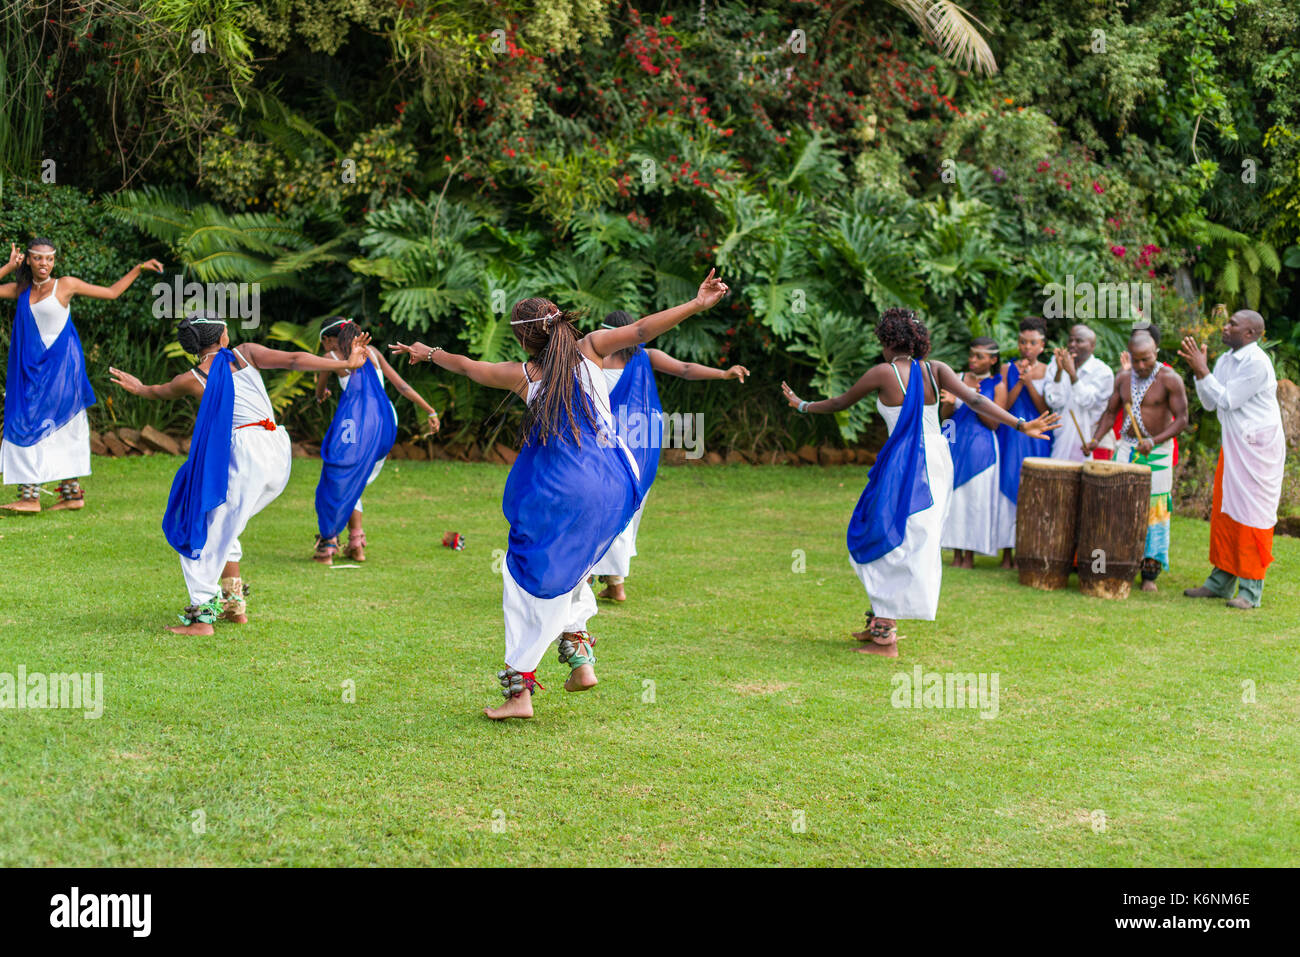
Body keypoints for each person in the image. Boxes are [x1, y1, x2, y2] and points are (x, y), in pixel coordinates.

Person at [390, 269, 730, 719]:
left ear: (525, 340)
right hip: (614, 484)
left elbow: (467, 366)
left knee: (525, 578)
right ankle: (580, 659)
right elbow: (645, 329)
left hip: (566, 486)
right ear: (561, 325)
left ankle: (519, 694)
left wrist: (427, 352)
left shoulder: (524, 375)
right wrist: (696, 303)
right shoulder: (592, 347)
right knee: (575, 566)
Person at [781, 308, 1057, 656]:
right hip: (937, 459)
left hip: (906, 461)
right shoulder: (936, 369)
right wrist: (1019, 423)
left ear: (887, 340)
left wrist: (803, 405)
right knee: (905, 533)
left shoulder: (884, 372)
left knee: (891, 534)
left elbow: (839, 402)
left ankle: (885, 636)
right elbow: (975, 399)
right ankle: (879, 618)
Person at [108, 314, 369, 634]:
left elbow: (159, 391)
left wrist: (140, 387)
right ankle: (233, 603)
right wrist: (347, 364)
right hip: (276, 449)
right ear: (222, 339)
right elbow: (294, 360)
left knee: (199, 529)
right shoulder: (245, 353)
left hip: (247, 453)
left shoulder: (193, 377)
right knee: (224, 523)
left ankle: (202, 617)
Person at [588, 309, 749, 601]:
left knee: (599, 508)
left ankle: (592, 576)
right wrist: (723, 373)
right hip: (642, 448)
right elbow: (686, 369)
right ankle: (615, 582)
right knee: (627, 509)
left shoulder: (592, 360)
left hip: (603, 445)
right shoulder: (646, 357)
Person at [0, 240, 163, 512]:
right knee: (23, 421)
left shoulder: (64, 285)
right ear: (28, 260)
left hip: (62, 369)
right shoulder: (22, 290)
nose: (44, 264)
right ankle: (60, 494)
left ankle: (49, 496)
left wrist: (137, 269)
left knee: (64, 425)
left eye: (49, 259)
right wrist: (7, 267)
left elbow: (111, 293)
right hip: (32, 371)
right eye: (38, 259)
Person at [1178, 310, 1286, 609]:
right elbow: (1212, 403)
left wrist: (1202, 370)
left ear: (1250, 334)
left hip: (1257, 450)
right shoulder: (1226, 359)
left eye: (1232, 324)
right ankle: (1220, 582)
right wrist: (1202, 372)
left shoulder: (1257, 364)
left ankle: (1250, 591)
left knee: (1253, 515)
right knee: (1226, 509)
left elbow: (1227, 399)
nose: (1225, 327)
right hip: (1235, 444)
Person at [312, 317, 440, 564]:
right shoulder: (372, 352)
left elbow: (319, 391)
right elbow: (401, 386)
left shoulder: (331, 359)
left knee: (342, 479)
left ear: (330, 339)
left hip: (357, 428)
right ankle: (356, 544)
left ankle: (328, 546)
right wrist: (430, 410)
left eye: (324, 342)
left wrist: (321, 395)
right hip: (385, 423)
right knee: (355, 479)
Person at [1083, 328, 1188, 591]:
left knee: (1155, 511)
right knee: (1121, 506)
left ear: (1156, 354)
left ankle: (1149, 575)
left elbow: (1183, 419)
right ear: (1129, 355)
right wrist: (1096, 439)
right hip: (1126, 448)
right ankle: (1121, 563)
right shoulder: (1124, 378)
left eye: (1147, 359)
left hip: (1158, 452)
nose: (1141, 365)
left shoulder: (1170, 379)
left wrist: (1154, 440)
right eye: (1136, 359)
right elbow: (1110, 413)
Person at [939, 337, 1013, 567]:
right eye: (971, 355)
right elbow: (944, 417)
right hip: (955, 444)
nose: (973, 360)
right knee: (955, 501)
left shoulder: (997, 385)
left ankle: (970, 554)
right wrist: (950, 402)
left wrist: (974, 400)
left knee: (975, 501)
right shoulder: (957, 379)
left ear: (992, 360)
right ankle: (956, 554)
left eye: (979, 356)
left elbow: (994, 424)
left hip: (982, 449)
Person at [995, 317, 1053, 568]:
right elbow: (1004, 407)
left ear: (1042, 345)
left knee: (1033, 490)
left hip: (1038, 436)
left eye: (1032, 342)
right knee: (1008, 484)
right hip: (1012, 433)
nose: (1026, 347)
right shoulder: (1007, 370)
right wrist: (1019, 382)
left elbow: (1045, 408)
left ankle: (1026, 550)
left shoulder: (1049, 370)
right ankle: (1006, 552)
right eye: (1022, 342)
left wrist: (1029, 382)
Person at [1043, 323, 1114, 462]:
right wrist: (1059, 372)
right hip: (1061, 441)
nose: (1072, 344)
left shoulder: (1103, 372)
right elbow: (1054, 401)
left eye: (1079, 341)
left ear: (1092, 346)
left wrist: (1072, 375)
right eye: (1070, 340)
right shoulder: (1056, 364)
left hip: (1091, 443)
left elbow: (1088, 401)